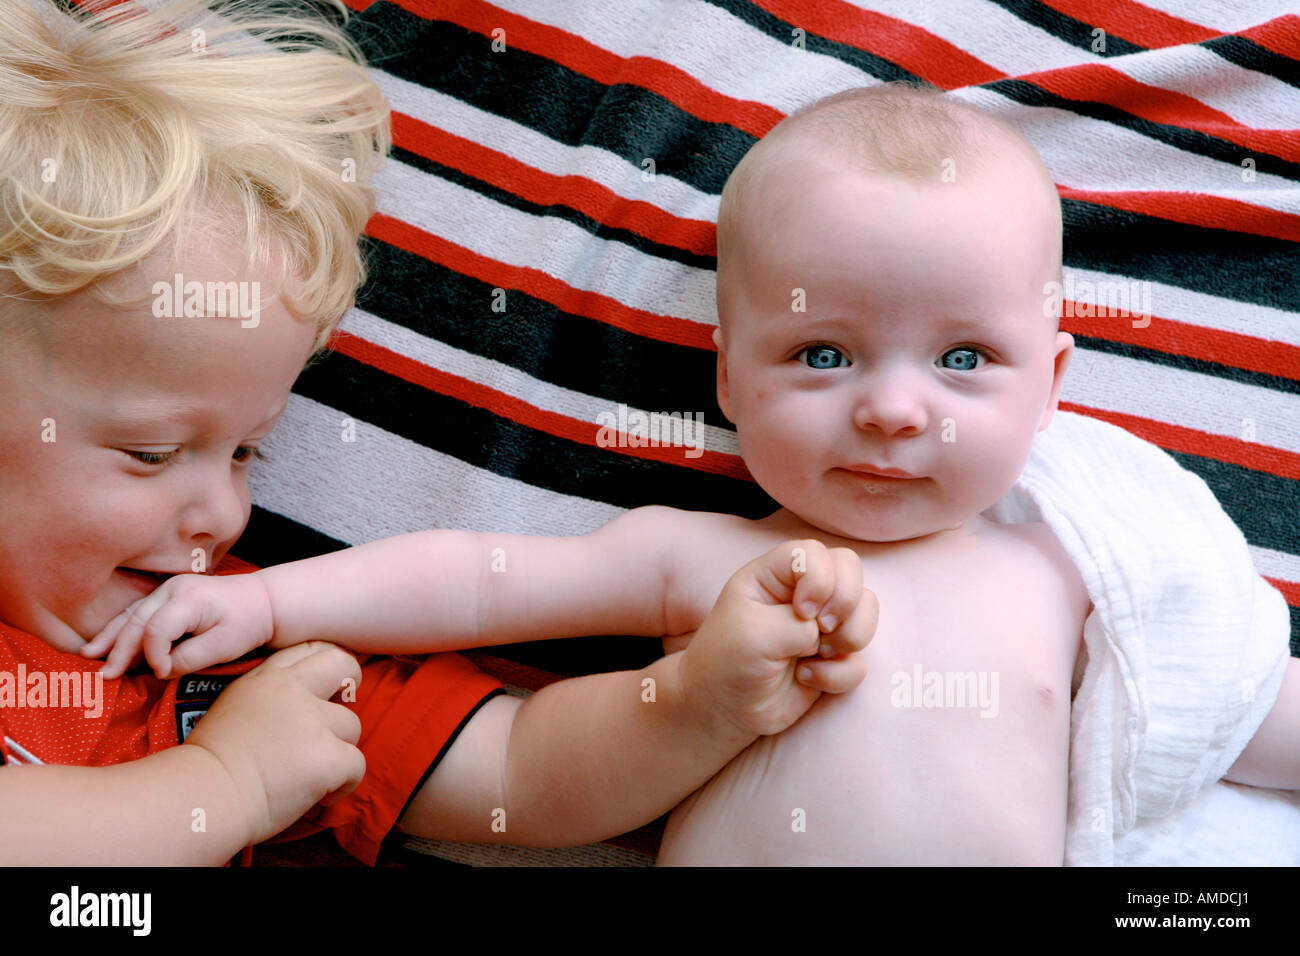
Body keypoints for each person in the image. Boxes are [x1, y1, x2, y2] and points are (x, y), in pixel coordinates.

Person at [90, 81, 1300, 865]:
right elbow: (480, 580)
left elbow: (1230, 705)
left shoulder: (1079, 571)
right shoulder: (712, 558)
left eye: (964, 357)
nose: (888, 405)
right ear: (728, 378)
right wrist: (268, 601)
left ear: (1052, 383)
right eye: (819, 352)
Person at [0, 0, 873, 866]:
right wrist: (223, 786)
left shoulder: (230, 651)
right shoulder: (235, 742)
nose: (220, 513)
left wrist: (694, 703)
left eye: (244, 452)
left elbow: (518, 772)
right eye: (151, 453)